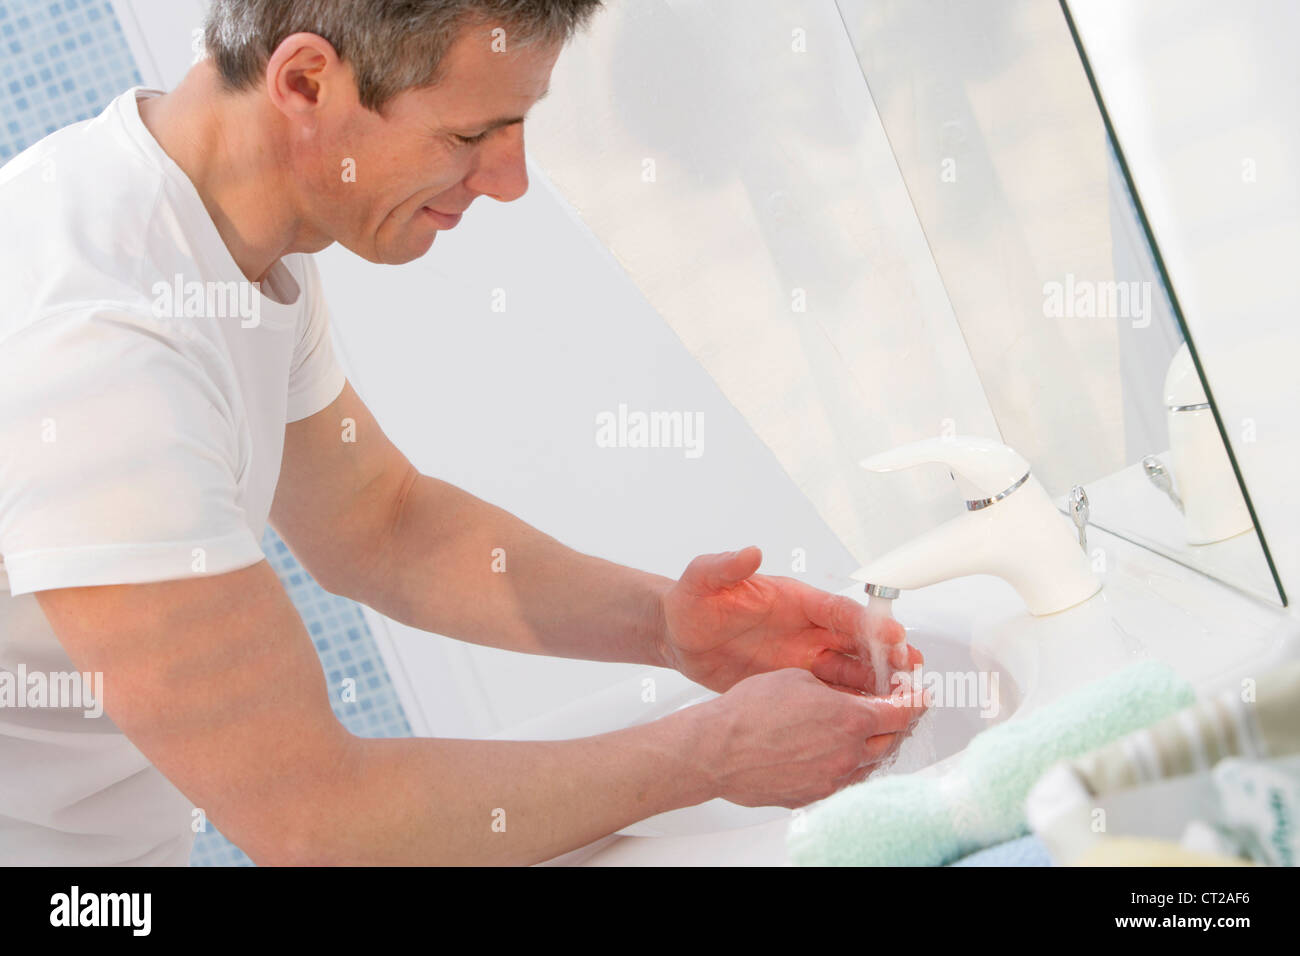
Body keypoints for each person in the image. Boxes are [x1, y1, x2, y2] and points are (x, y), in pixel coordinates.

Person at [0, 0, 923, 866]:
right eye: (471, 134)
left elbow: (380, 523)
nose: (511, 181)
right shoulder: (99, 353)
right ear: (308, 84)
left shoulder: (218, 231)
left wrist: (672, 634)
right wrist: (709, 759)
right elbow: (315, 817)